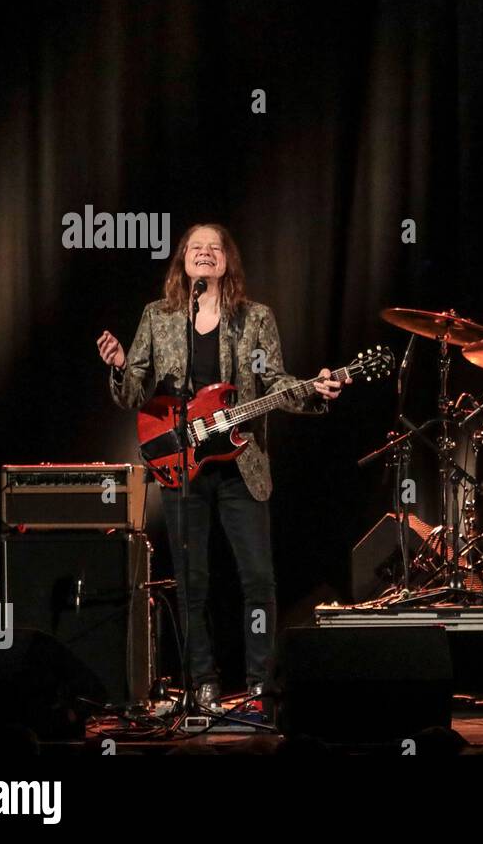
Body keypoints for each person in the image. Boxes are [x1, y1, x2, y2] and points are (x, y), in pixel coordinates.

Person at [96, 223, 347, 709]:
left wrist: (314, 389)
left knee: (257, 577)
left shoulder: (254, 318)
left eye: (215, 248)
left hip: (241, 464)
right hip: (179, 463)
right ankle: (201, 683)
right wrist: (121, 364)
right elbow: (135, 393)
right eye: (196, 248)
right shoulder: (159, 316)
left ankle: (260, 686)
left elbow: (275, 382)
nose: (206, 253)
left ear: (227, 261)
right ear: (183, 261)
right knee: (192, 580)